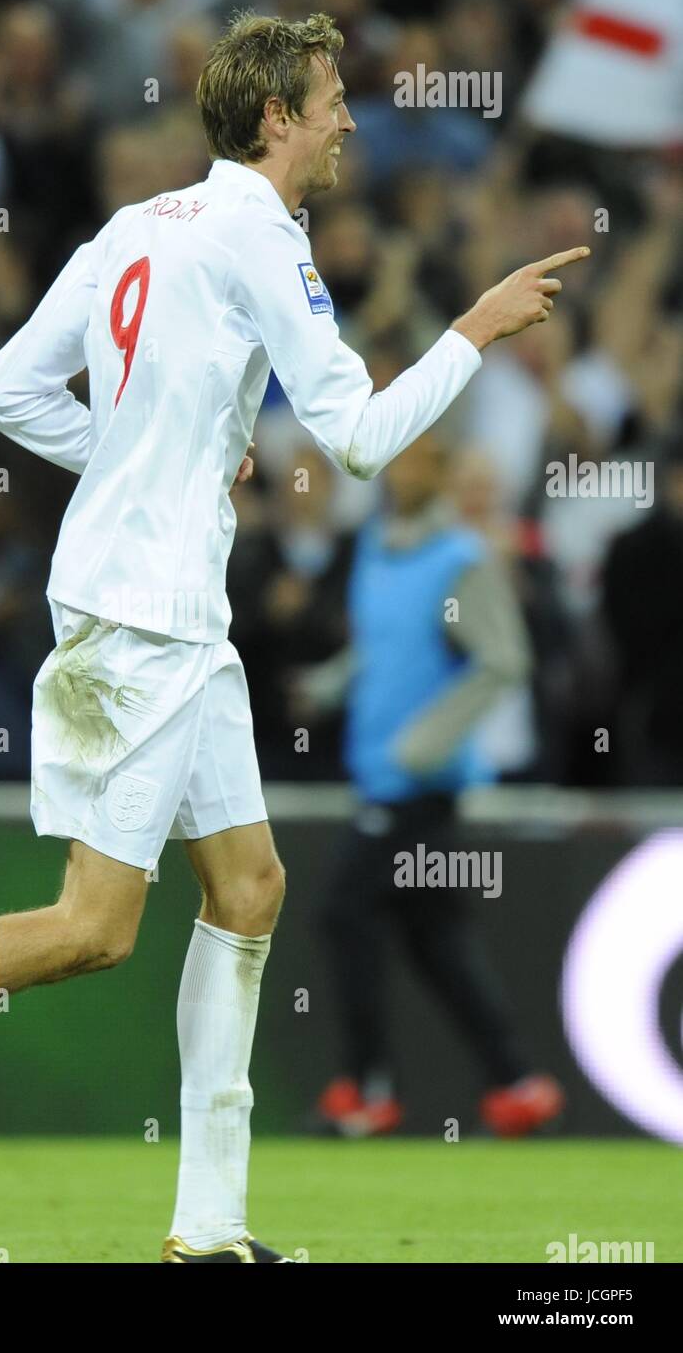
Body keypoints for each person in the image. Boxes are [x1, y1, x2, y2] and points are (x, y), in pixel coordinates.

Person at [0, 10, 587, 1263]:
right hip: (146, 618)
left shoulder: (139, 224)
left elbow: (5, 388)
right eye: (329, 98)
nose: (345, 118)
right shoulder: (262, 237)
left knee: (250, 885)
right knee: (92, 927)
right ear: (275, 116)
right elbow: (362, 438)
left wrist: (131, 463)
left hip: (160, 603)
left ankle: (207, 1230)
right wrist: (474, 328)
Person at [294, 432, 565, 1138]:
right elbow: (379, 649)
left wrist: (429, 738)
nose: (400, 470)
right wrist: (326, 686)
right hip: (379, 778)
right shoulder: (379, 550)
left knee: (341, 912)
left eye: (416, 458)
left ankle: (366, 1089)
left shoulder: (460, 560)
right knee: (433, 939)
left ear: (439, 471)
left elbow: (504, 659)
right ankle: (515, 1084)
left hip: (414, 788)